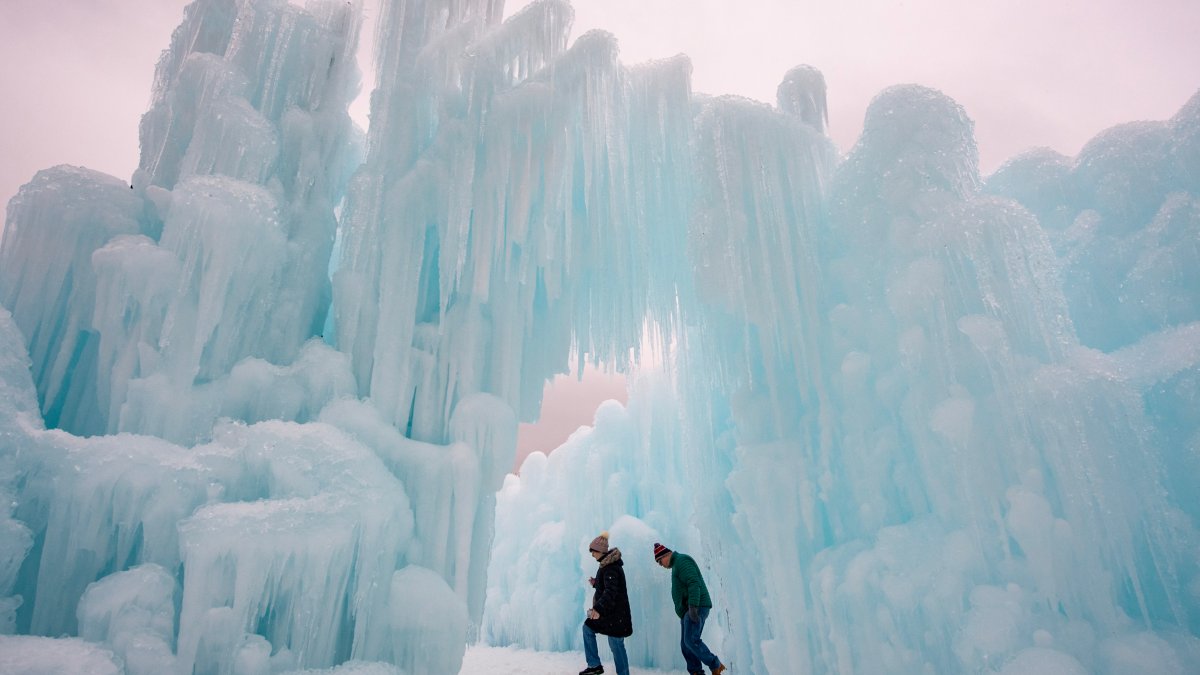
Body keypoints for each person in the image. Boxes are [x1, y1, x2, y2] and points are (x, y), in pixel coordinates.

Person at [653, 542, 726, 675]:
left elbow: (693, 582)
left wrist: (693, 607)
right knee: (686, 645)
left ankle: (715, 664)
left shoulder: (682, 560)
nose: (660, 565)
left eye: (659, 561)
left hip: (697, 606)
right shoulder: (676, 565)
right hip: (689, 609)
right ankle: (696, 672)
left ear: (666, 555)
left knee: (691, 640)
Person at [579, 532, 632, 675]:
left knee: (614, 643)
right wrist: (597, 584)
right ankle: (596, 666)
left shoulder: (610, 567)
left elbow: (611, 592)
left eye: (593, 551)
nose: (592, 555)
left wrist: (597, 609)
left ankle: (595, 666)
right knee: (614, 644)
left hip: (615, 616)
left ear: (600, 551)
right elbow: (610, 586)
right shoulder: (608, 565)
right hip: (614, 616)